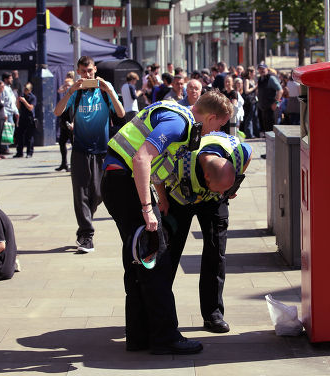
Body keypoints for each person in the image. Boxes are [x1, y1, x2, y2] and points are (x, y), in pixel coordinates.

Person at [101, 90, 233, 355]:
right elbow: (141, 159)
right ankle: (164, 337)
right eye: (219, 124)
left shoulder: (177, 114)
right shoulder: (179, 123)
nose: (217, 130)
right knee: (156, 262)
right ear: (211, 117)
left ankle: (139, 336)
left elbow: (156, 162)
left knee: (139, 260)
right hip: (124, 184)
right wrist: (147, 208)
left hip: (117, 182)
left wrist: (160, 195)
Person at [159, 132, 252, 333]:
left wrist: (231, 186)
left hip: (212, 203)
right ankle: (158, 315)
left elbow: (249, 152)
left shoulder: (236, 154)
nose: (222, 193)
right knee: (168, 254)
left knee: (216, 252)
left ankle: (213, 314)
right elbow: (155, 168)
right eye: (219, 189)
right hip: (179, 199)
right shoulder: (181, 157)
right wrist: (162, 199)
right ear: (207, 176)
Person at [53, 56, 125, 253]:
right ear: (78, 72)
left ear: (95, 70)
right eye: (84, 72)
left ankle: (84, 224)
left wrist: (109, 90)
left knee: (100, 192)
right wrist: (70, 91)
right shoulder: (75, 93)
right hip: (80, 150)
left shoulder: (104, 90)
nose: (87, 75)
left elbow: (120, 113)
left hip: (102, 150)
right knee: (81, 193)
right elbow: (57, 111)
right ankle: (86, 235)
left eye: (90, 71)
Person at [56, 77, 75, 171]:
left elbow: (74, 111)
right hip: (64, 122)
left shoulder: (74, 96)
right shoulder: (65, 96)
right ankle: (64, 163)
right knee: (61, 143)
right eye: (65, 85)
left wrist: (73, 122)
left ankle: (74, 165)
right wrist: (64, 87)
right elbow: (58, 90)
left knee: (73, 144)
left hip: (71, 123)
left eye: (69, 85)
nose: (66, 87)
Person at [257, 64, 283, 134]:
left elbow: (280, 90)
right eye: (260, 69)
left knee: (272, 130)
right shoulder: (260, 79)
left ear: (267, 69)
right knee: (267, 131)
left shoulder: (271, 78)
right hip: (264, 108)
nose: (262, 70)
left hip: (271, 108)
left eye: (263, 68)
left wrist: (276, 103)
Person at [13, 83, 37, 158]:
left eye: (27, 89)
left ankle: (29, 152)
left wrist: (24, 101)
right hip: (22, 117)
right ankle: (19, 152)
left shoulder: (33, 97)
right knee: (20, 135)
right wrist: (18, 101)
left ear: (30, 90)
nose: (25, 91)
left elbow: (30, 108)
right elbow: (18, 107)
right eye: (24, 89)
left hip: (30, 118)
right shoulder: (22, 96)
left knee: (29, 136)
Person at [1, 72, 19, 154]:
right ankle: (5, 148)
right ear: (5, 79)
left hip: (11, 112)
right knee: (6, 131)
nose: (12, 79)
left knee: (10, 130)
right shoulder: (3, 89)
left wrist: (16, 111)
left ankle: (6, 147)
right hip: (6, 113)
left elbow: (12, 101)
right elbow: (2, 102)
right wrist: (4, 113)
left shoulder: (9, 88)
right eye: (10, 78)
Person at [242, 67, 258, 138]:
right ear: (250, 73)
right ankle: (249, 134)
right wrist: (255, 87)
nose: (255, 74)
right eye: (254, 72)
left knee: (254, 117)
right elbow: (246, 91)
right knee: (249, 118)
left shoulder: (252, 80)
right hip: (249, 101)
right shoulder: (247, 80)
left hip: (254, 100)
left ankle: (254, 133)